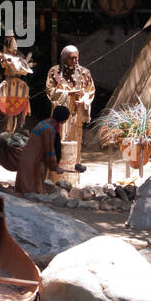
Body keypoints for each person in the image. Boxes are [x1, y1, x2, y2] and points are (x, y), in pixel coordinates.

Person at [45, 45, 95, 184]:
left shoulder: (85, 73)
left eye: (76, 58)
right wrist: (68, 93)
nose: (75, 60)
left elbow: (90, 91)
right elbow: (50, 91)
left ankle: (72, 178)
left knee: (75, 143)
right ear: (64, 58)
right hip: (60, 113)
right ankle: (56, 176)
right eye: (71, 58)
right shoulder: (55, 72)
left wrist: (83, 100)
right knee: (58, 140)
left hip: (76, 113)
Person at [16, 105, 69, 195]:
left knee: (27, 191)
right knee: (31, 193)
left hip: (27, 159)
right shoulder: (49, 129)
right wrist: (55, 167)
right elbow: (49, 152)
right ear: (63, 120)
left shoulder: (44, 123)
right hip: (31, 162)